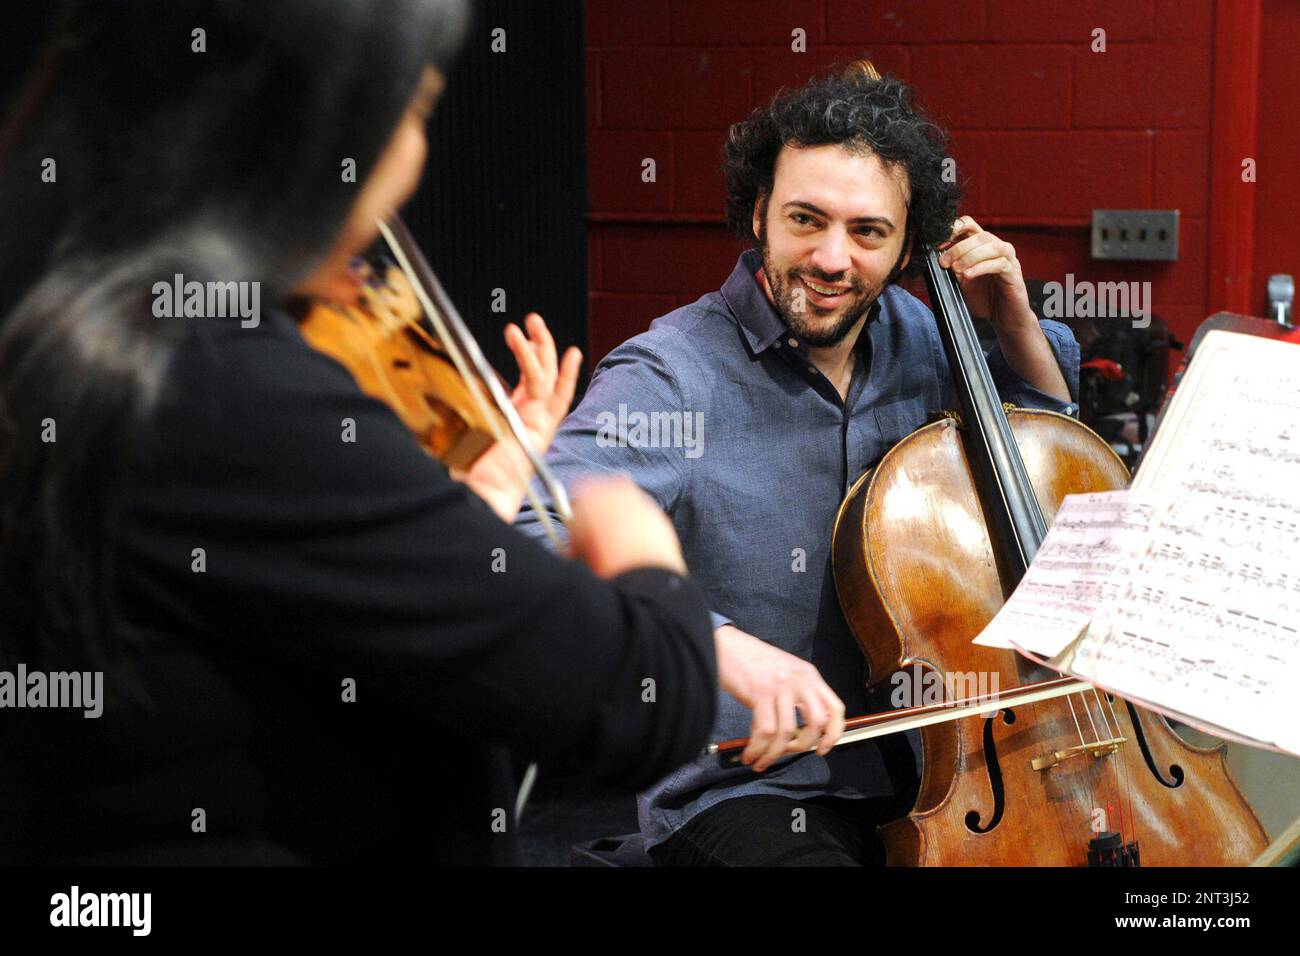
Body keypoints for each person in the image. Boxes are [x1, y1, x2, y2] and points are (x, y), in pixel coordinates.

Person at [0, 0, 717, 866]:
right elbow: (642, 697)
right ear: (311, 122)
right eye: (411, 110)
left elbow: (286, 618)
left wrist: (467, 507)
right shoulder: (225, 387)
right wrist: (631, 529)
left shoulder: (80, 317)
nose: (413, 155)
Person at [515, 61, 1082, 866]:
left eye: (868, 232)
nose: (831, 257)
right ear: (759, 214)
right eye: (806, 220)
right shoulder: (670, 376)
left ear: (906, 246)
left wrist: (1018, 316)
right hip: (752, 789)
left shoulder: (921, 336)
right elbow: (533, 532)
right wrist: (721, 647)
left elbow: (1047, 437)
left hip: (951, 769)